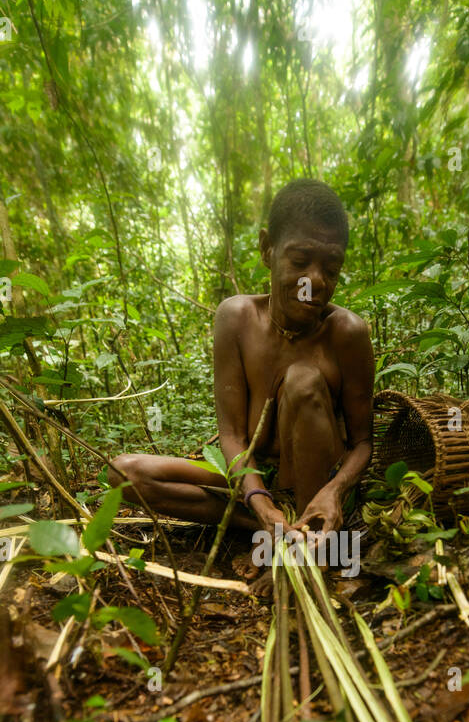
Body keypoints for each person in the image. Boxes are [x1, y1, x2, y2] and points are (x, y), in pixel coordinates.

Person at [110, 179, 375, 550]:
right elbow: (232, 435)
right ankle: (264, 527)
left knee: (302, 380)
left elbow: (363, 442)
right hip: (254, 478)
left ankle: (308, 539)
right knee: (125, 472)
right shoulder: (236, 318)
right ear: (268, 249)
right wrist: (260, 502)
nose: (315, 281)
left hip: (318, 481)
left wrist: (335, 490)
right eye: (299, 262)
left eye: (331, 269)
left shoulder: (347, 333)